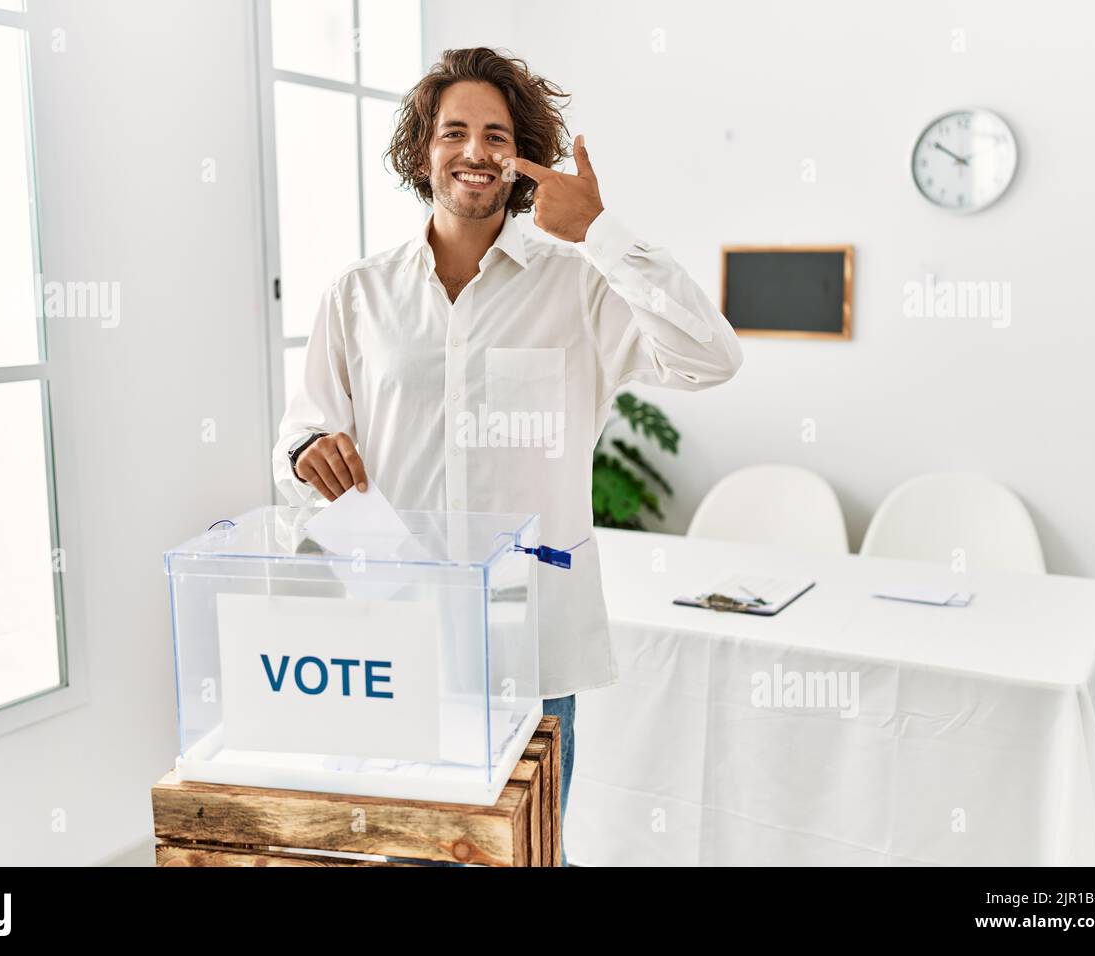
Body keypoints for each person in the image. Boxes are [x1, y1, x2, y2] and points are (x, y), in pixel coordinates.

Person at [272, 47, 744, 866]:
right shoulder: (359, 294)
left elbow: (711, 357)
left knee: (524, 854)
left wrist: (602, 232)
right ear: (423, 152)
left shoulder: (581, 284)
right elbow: (302, 438)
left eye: (497, 134)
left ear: (521, 155)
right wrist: (310, 449)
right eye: (454, 131)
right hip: (397, 634)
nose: (476, 151)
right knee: (406, 850)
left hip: (530, 641)